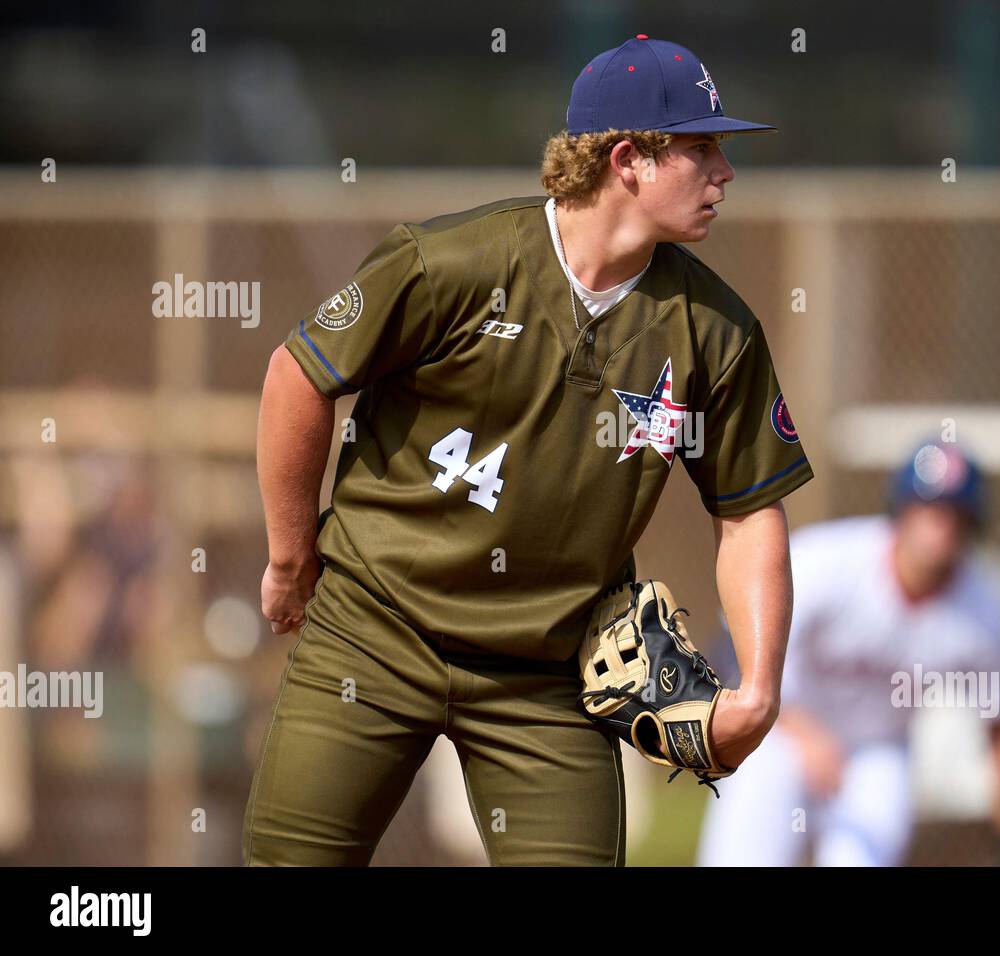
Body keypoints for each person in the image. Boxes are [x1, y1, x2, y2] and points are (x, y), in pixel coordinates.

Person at [243, 35, 814, 866]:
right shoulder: (451, 265)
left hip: (546, 672)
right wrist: (291, 559)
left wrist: (759, 690)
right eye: (701, 147)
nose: (724, 171)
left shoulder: (714, 330)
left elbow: (750, 509)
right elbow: (296, 377)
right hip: (374, 632)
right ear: (629, 159)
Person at [696, 439, 1000, 867]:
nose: (940, 526)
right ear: (902, 510)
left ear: (972, 526)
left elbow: (999, 728)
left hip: (876, 753)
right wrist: (803, 734)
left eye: (955, 515)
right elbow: (728, 646)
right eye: (930, 509)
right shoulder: (831, 561)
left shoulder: (983, 616)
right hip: (781, 731)